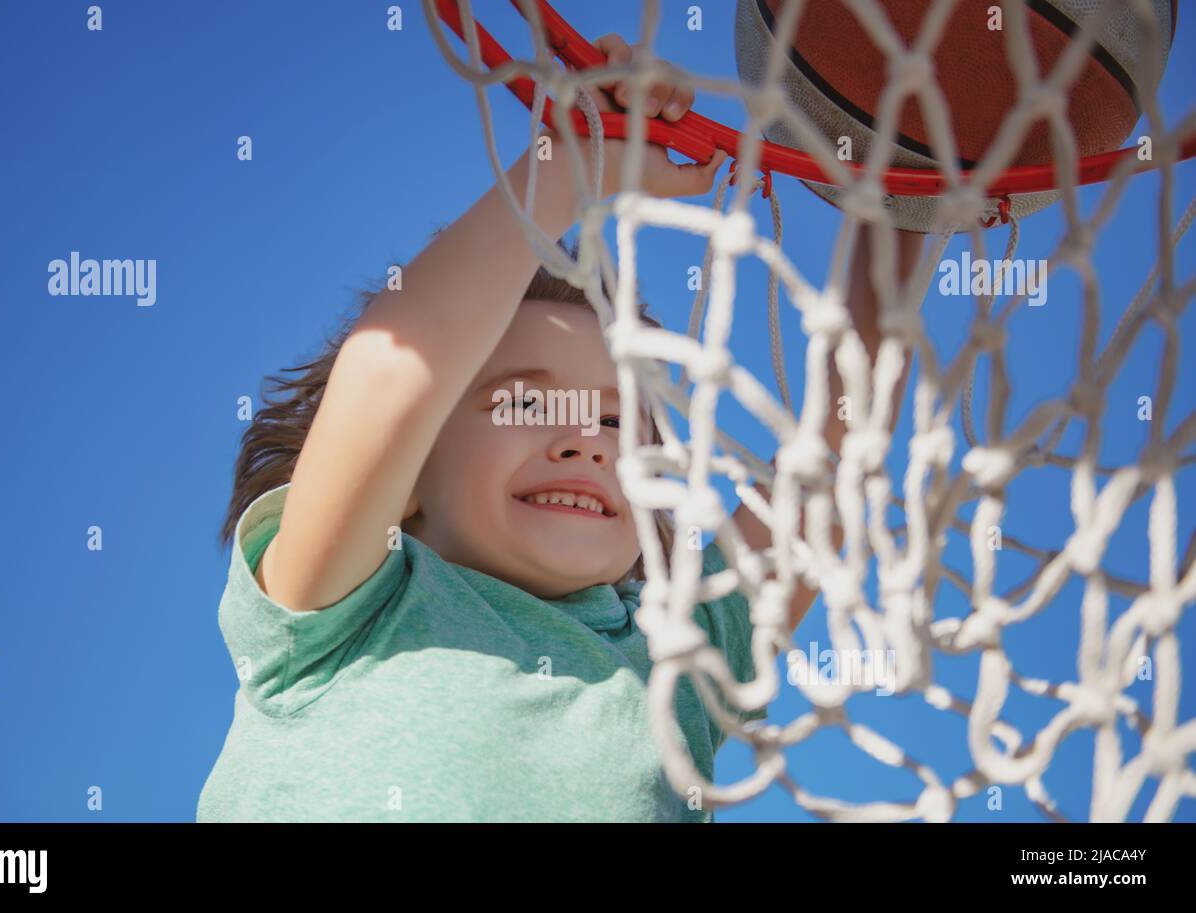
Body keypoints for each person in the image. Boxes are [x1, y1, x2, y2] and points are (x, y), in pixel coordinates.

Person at [197, 33, 923, 823]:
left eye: (618, 420)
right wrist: (570, 166)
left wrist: (916, 195)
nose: (585, 438)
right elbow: (391, 371)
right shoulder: (337, 610)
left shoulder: (671, 657)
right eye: (525, 403)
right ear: (408, 471)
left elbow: (838, 452)